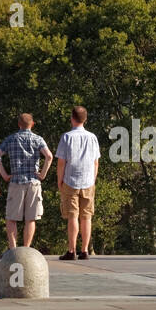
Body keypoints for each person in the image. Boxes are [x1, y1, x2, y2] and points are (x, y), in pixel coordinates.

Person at [0, 113, 54, 250]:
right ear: (32, 124)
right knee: (30, 218)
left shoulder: (11, 139)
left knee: (11, 218)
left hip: (16, 181)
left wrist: (4, 174)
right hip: (33, 181)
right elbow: (49, 156)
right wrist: (43, 174)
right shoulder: (38, 139)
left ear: (18, 124)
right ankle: (26, 249)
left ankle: (13, 249)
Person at [56, 105, 100, 260]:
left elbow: (61, 162)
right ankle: (85, 250)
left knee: (72, 216)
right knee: (86, 216)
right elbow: (96, 162)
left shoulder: (67, 137)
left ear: (72, 118)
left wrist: (59, 180)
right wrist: (93, 179)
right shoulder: (92, 137)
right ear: (85, 119)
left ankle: (71, 250)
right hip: (88, 180)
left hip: (70, 179)